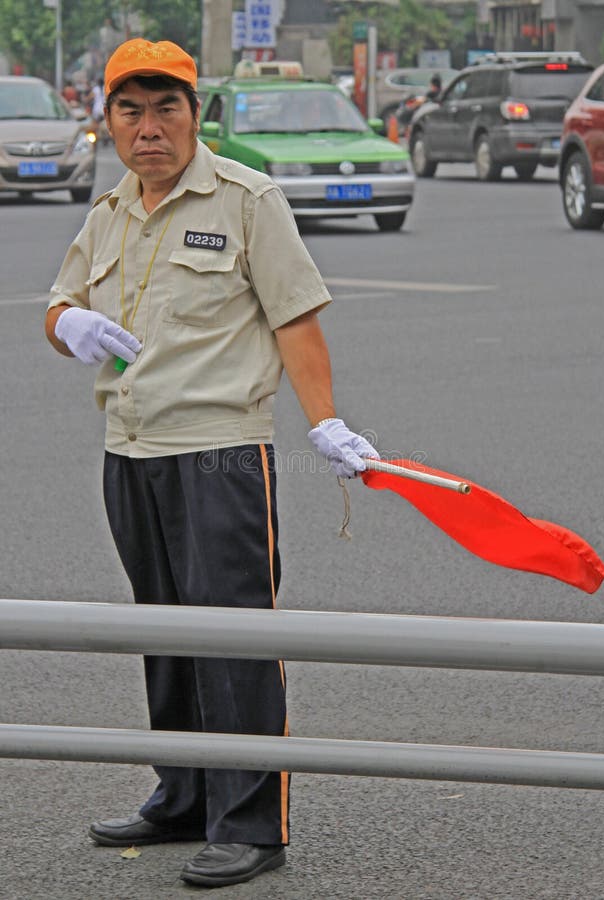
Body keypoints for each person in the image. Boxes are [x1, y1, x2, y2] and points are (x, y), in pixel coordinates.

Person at [44, 38, 378, 890]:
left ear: (197, 115)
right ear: (107, 120)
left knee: (233, 635)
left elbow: (296, 317)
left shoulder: (246, 200)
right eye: (131, 110)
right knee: (162, 629)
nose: (148, 128)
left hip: (221, 452)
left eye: (166, 108)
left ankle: (251, 820)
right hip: (130, 447)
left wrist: (326, 421)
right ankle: (184, 791)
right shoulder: (110, 210)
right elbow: (62, 300)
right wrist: (65, 326)